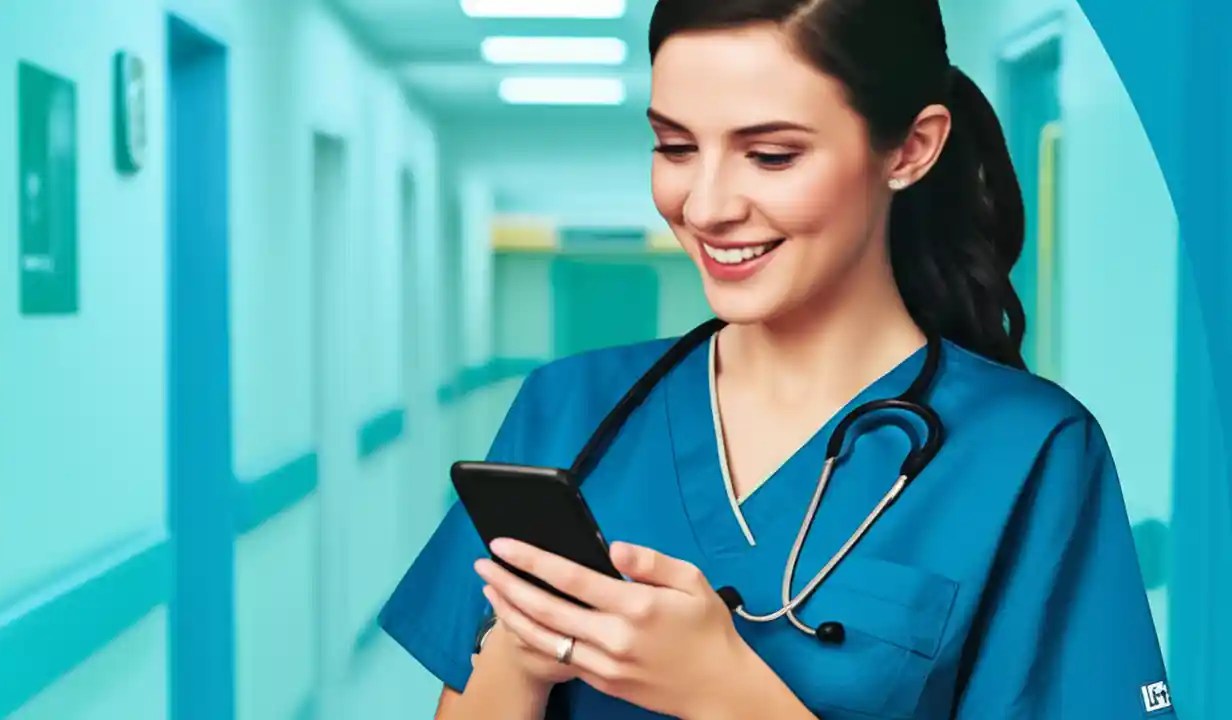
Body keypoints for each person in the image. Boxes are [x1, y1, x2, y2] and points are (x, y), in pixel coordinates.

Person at [378, 0, 1175, 717]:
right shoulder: (572, 409)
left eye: (771, 155)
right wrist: (522, 653)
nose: (706, 206)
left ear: (911, 149)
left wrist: (727, 693)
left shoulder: (1026, 452)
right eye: (676, 146)